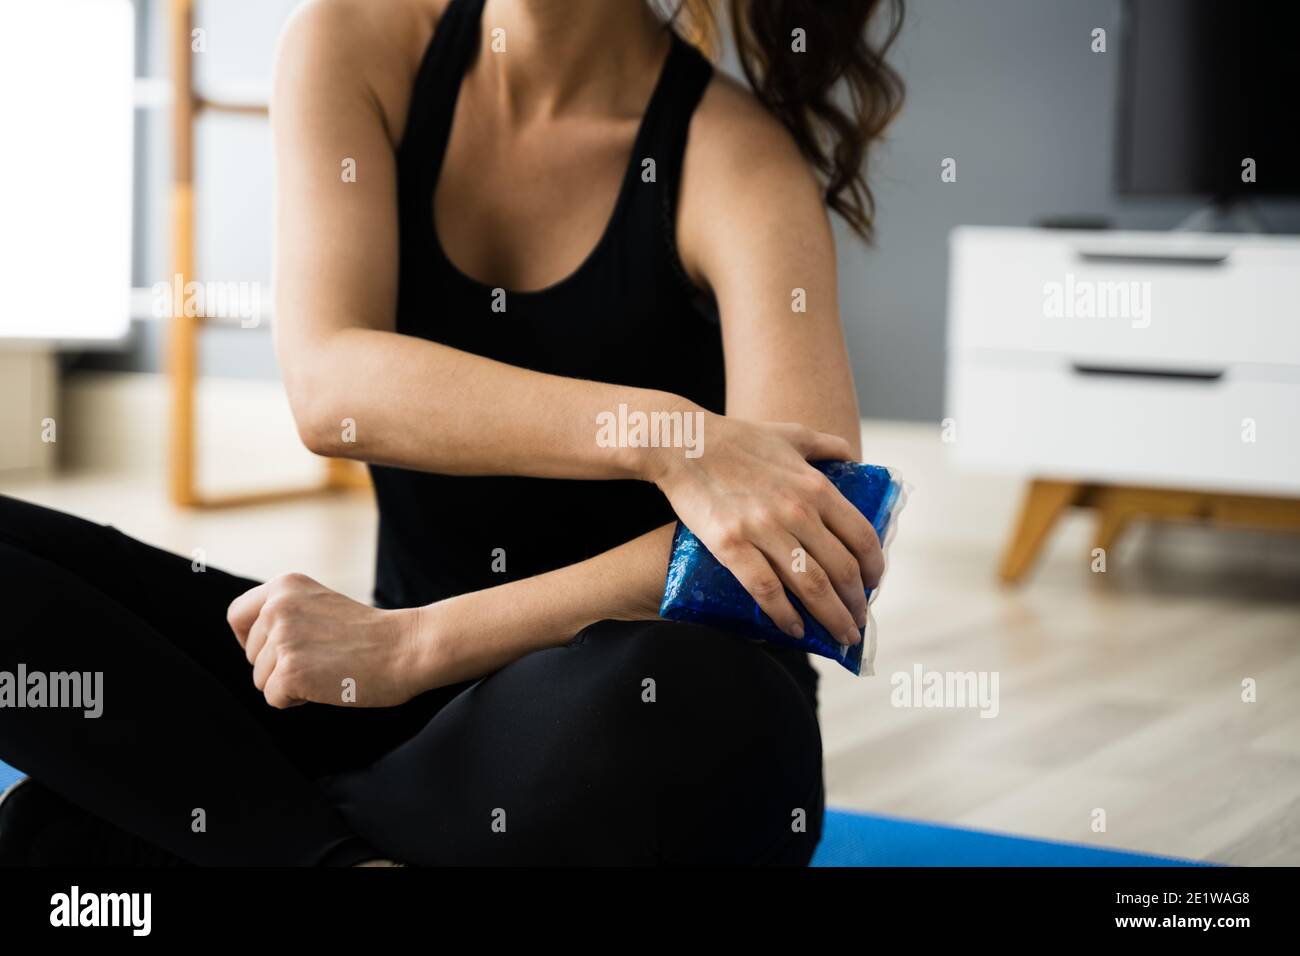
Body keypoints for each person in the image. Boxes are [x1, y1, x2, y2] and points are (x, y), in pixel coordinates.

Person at [0, 0, 903, 865]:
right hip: (392, 704)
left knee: (688, 702)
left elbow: (821, 534)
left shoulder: (738, 161)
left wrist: (416, 646)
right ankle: (335, 856)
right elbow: (331, 383)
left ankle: (240, 827)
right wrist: (668, 436)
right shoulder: (350, 41)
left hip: (600, 722)